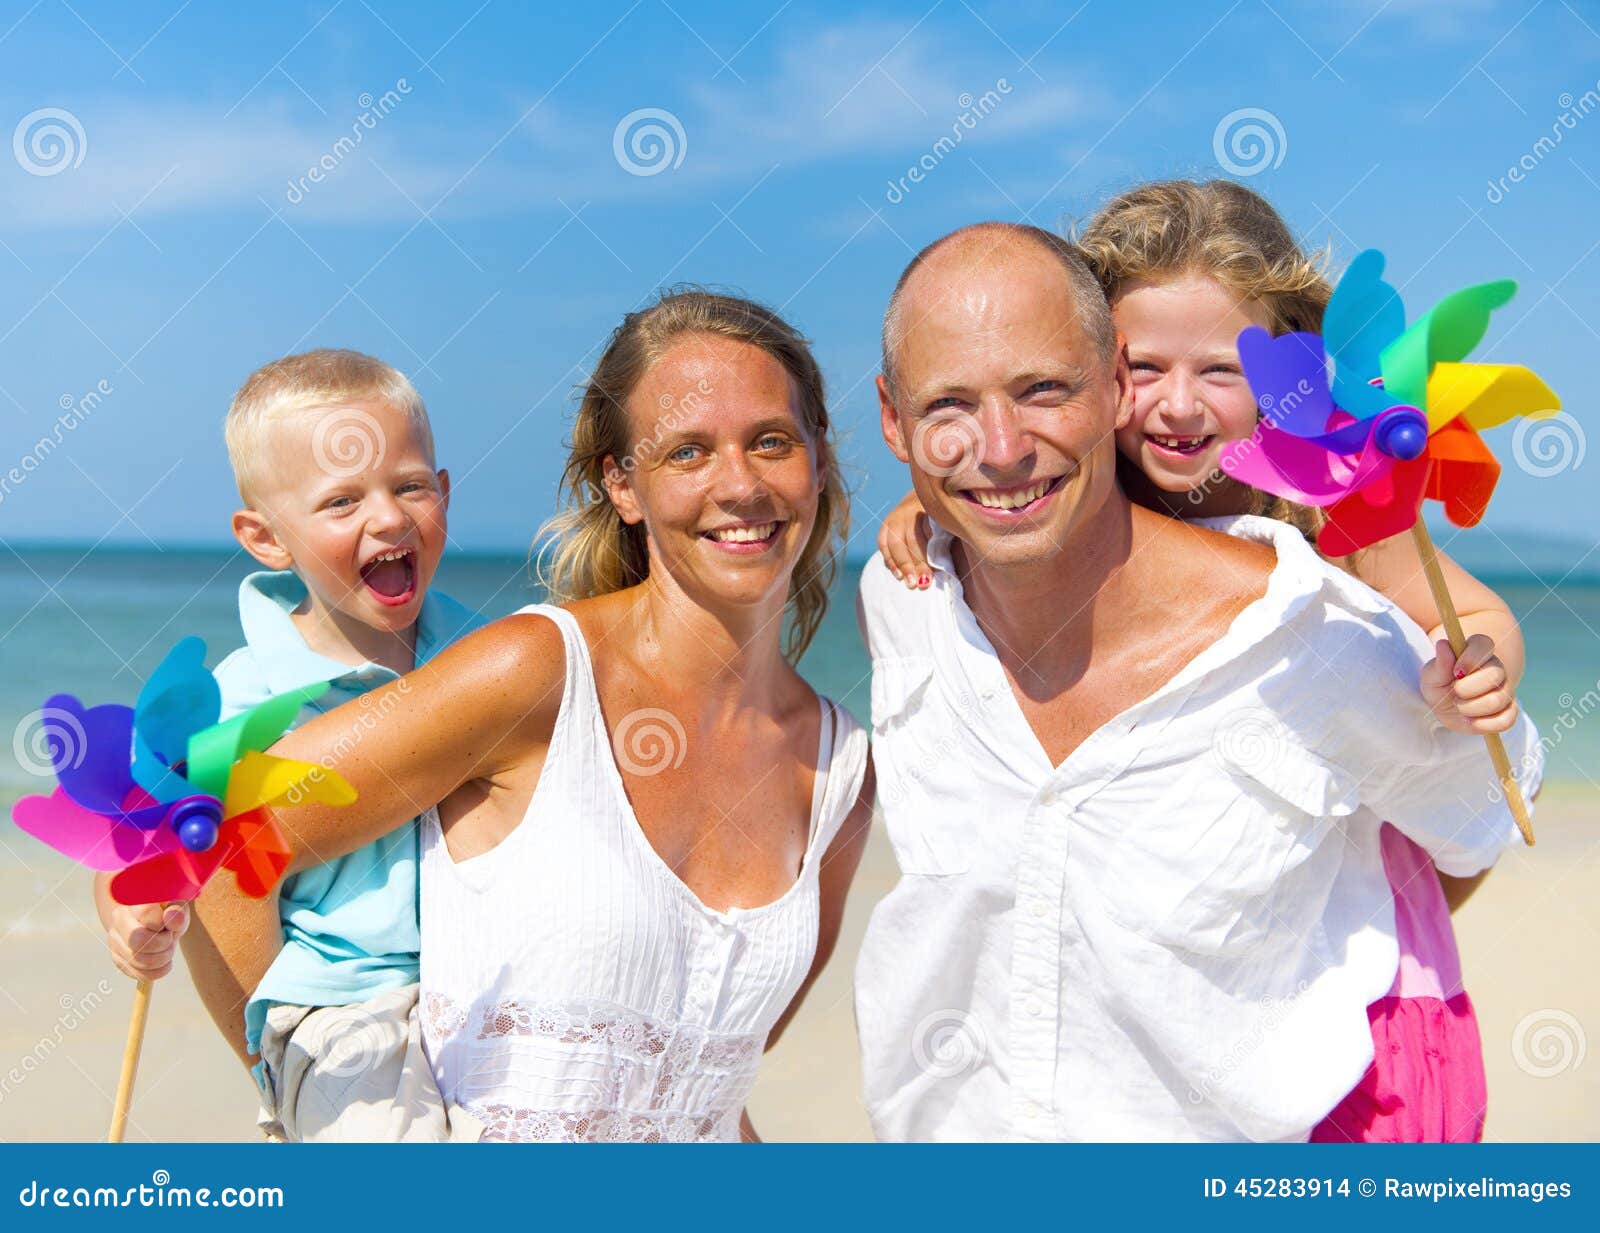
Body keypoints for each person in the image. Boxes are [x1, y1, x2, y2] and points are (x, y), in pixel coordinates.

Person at [854, 221, 1543, 1141]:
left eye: (1224, 370)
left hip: (1367, 964)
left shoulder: (1328, 526)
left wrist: (1478, 675)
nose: (1176, 409)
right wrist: (934, 492)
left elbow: (1474, 742)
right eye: (1148, 370)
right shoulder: (987, 533)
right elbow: (1002, 455)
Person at [246, 290, 873, 1141]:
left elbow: (710, 1093)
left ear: (819, 459)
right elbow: (228, 830)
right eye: (687, 451)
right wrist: (298, 1090)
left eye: (771, 440)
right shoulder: (534, 673)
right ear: (623, 484)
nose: (740, 484)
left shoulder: (840, 770)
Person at [94, 348, 485, 1139]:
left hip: (484, 980)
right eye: (341, 501)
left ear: (443, 493)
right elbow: (139, 836)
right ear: (267, 538)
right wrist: (127, 917)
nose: (388, 517)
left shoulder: (484, 656)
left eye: (410, 485)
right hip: (338, 1004)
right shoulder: (240, 696)